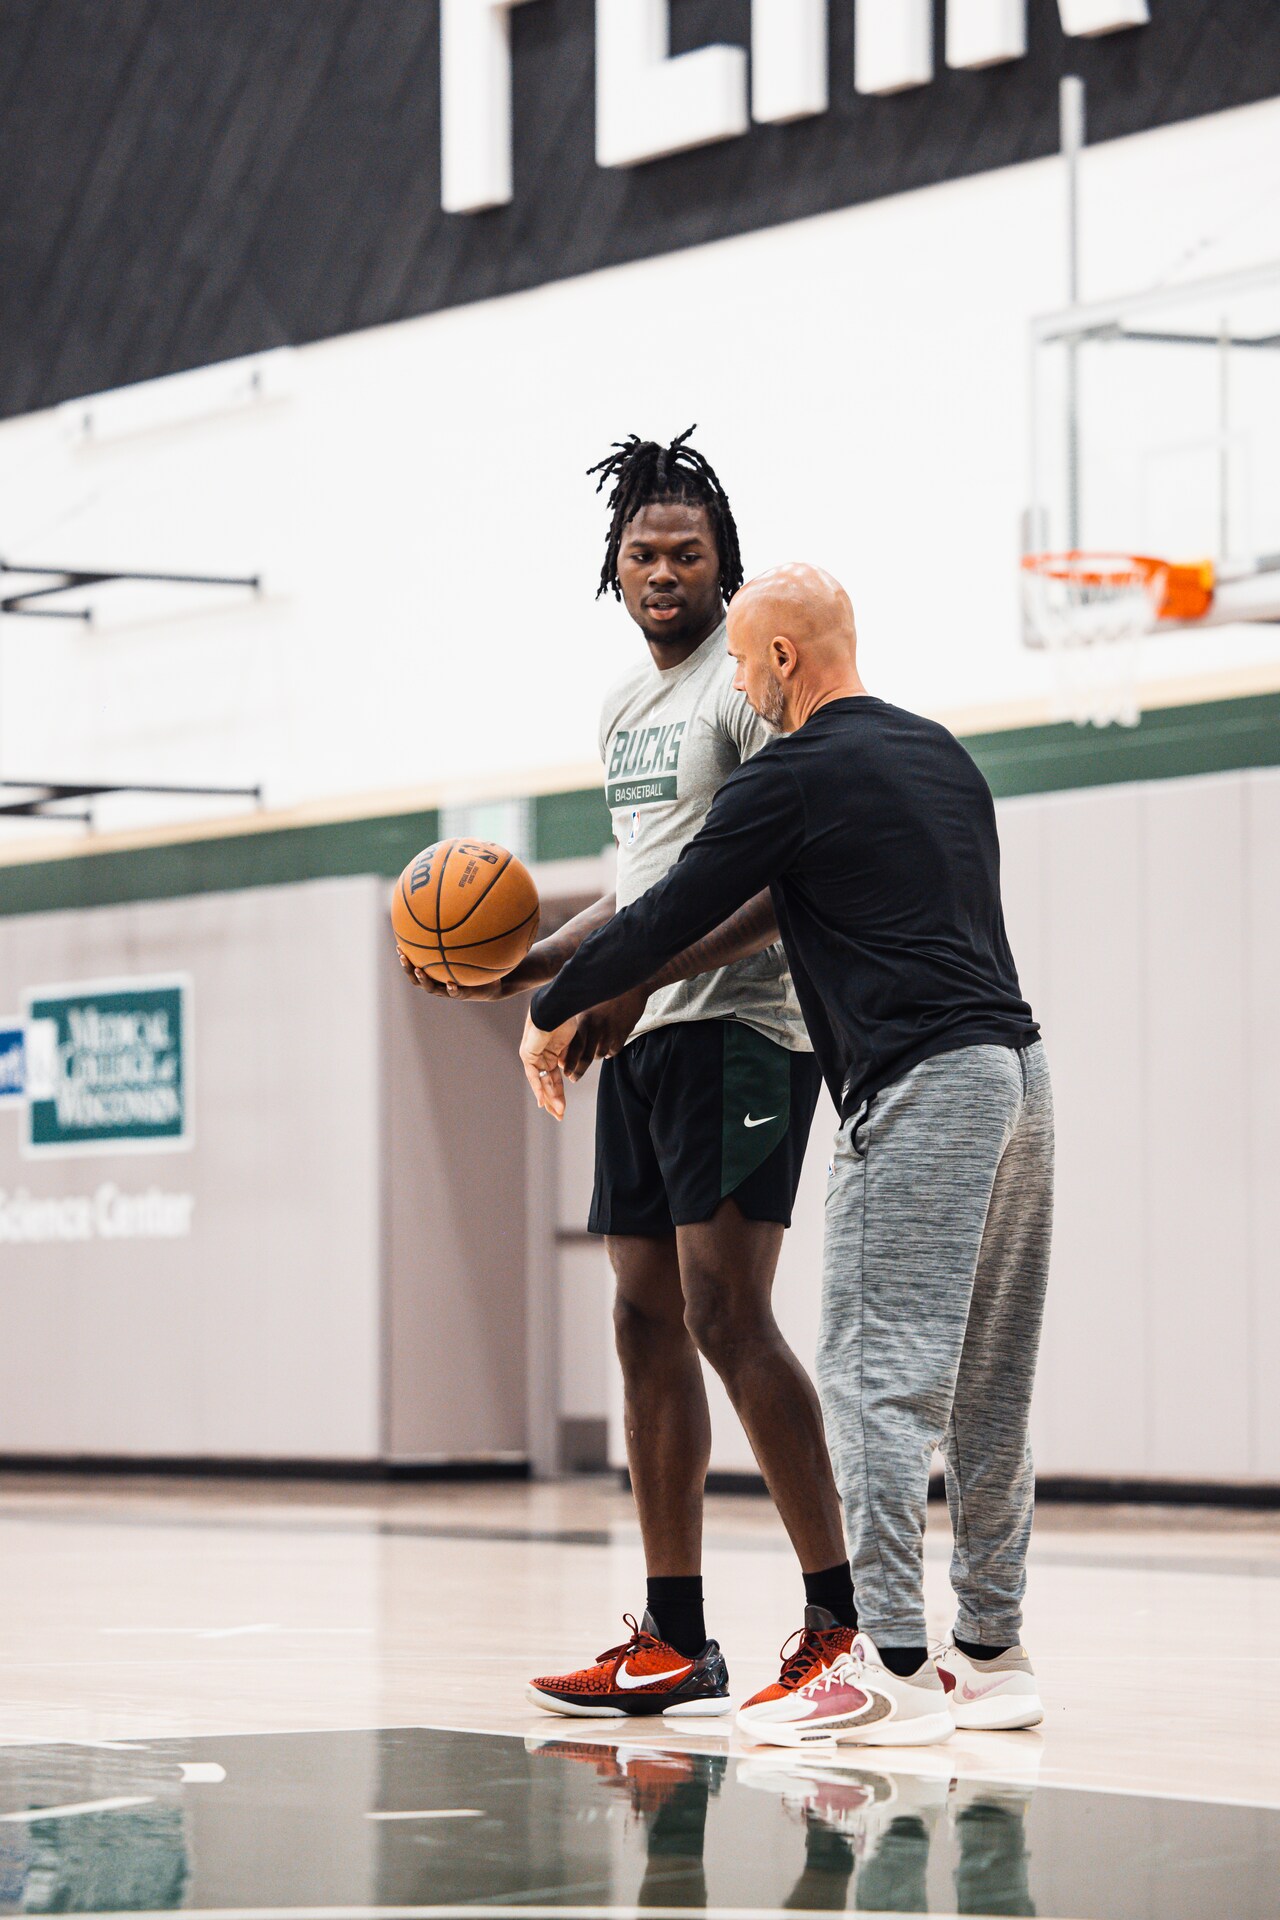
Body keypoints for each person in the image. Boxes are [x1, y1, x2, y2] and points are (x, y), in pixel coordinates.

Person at [521, 563, 1053, 1746]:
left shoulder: (791, 772)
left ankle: (886, 1667)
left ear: (775, 661)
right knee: (985, 1382)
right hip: (1017, 1077)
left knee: (871, 1373)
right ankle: (991, 1650)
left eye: (748, 665)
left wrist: (554, 1000)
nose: (743, 693)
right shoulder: (939, 754)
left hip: (917, 1084)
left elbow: (666, 912)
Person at [404, 437, 858, 1721]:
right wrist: (536, 961)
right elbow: (643, 881)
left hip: (743, 1031)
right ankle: (674, 1636)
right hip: (651, 1036)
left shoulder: (742, 685)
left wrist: (629, 977)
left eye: (688, 553)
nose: (663, 571)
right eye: (642, 553)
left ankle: (837, 1617)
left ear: (727, 568)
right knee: (639, 1317)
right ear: (611, 570)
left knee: (726, 1313)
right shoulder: (621, 709)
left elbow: (774, 877)